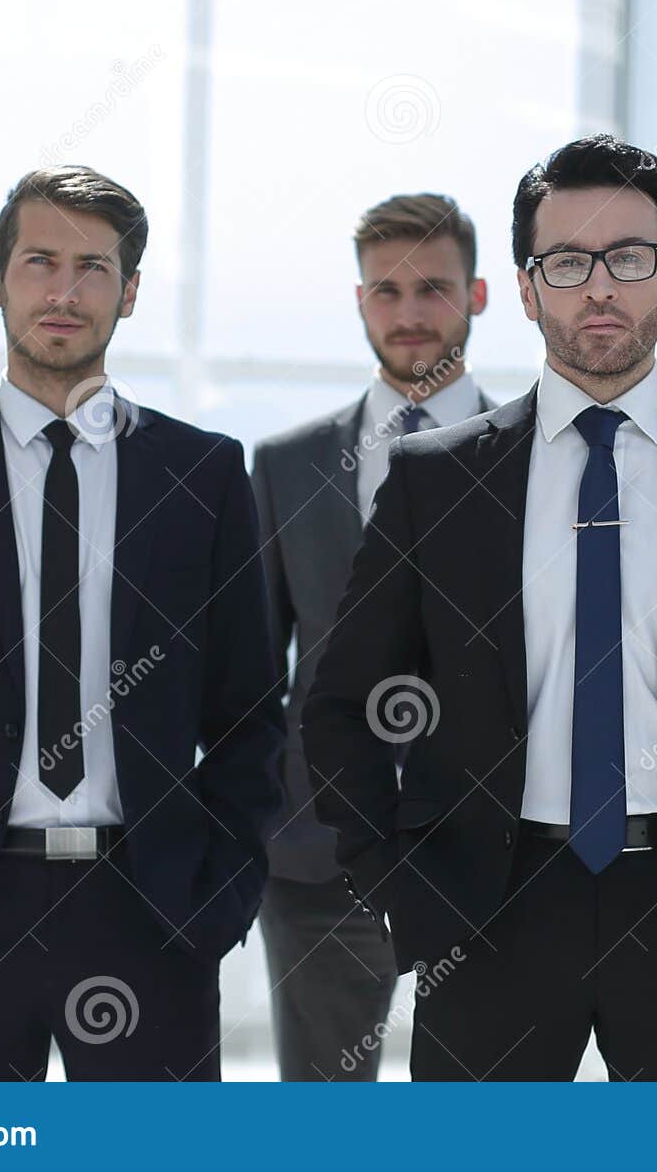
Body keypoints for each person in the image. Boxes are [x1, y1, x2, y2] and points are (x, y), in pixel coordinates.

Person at [301, 135, 657, 1080]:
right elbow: (339, 710)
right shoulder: (435, 484)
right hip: (490, 914)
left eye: (629, 258)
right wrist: (404, 886)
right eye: (566, 262)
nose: (598, 287)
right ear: (527, 290)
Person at [0, 166, 284, 1081]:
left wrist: (218, 895)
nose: (64, 292)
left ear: (131, 292)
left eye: (93, 268)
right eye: (39, 262)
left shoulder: (204, 477)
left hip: (151, 907)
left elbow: (250, 711)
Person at [251, 192, 494, 1080]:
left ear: (478, 296)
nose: (409, 313)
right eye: (385, 292)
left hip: (492, 856)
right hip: (320, 854)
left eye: (433, 288)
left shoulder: (548, 451)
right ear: (360, 303)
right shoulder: (286, 465)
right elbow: (252, 668)